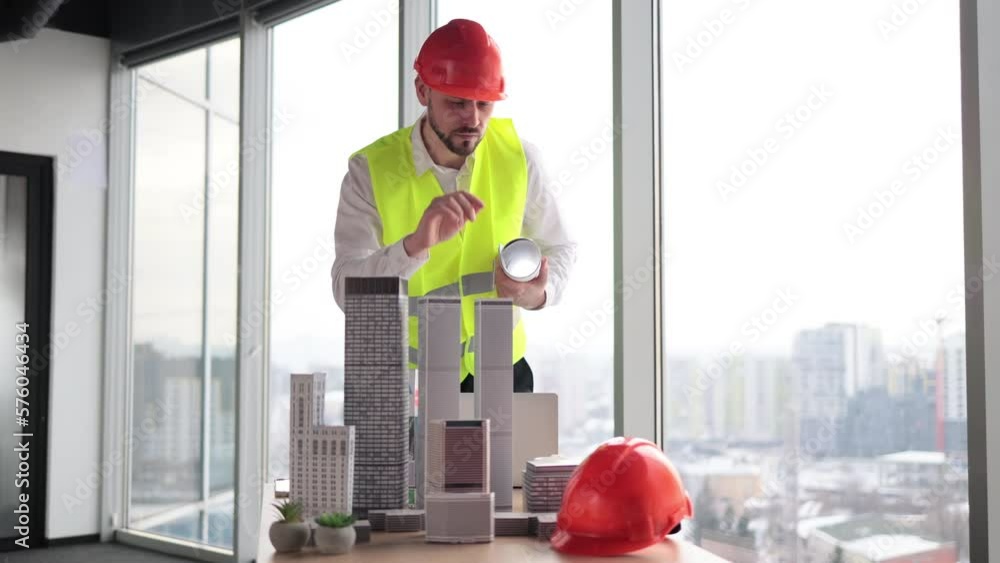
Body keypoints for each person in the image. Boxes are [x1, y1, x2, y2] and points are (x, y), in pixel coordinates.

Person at [331, 18, 575, 393]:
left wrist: (536, 294)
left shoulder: (520, 158)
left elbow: (559, 247)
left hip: (503, 373)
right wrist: (414, 246)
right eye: (457, 103)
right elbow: (345, 291)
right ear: (422, 91)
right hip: (408, 380)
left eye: (483, 104)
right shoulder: (369, 170)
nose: (473, 119)